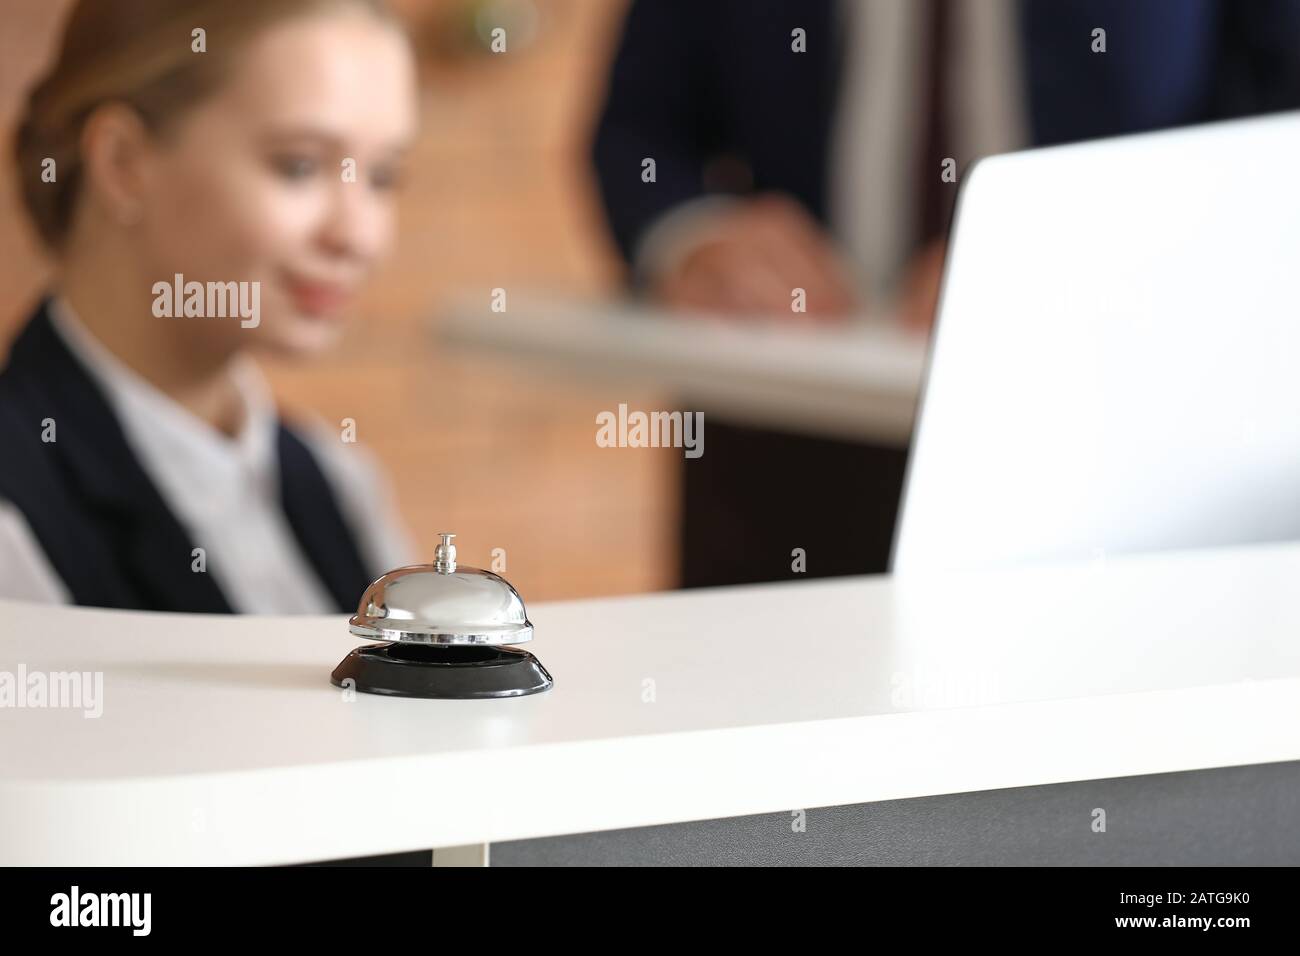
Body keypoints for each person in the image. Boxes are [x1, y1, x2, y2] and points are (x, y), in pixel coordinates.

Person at [592, 0, 1300, 588]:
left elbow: (1279, 128)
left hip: (1123, 451)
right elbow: (636, 128)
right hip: (787, 454)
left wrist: (1087, 252)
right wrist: (692, 231)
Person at [0, 0, 420, 612]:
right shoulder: (17, 508)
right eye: (299, 165)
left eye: (382, 176)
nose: (359, 237)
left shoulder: (337, 477)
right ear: (122, 162)